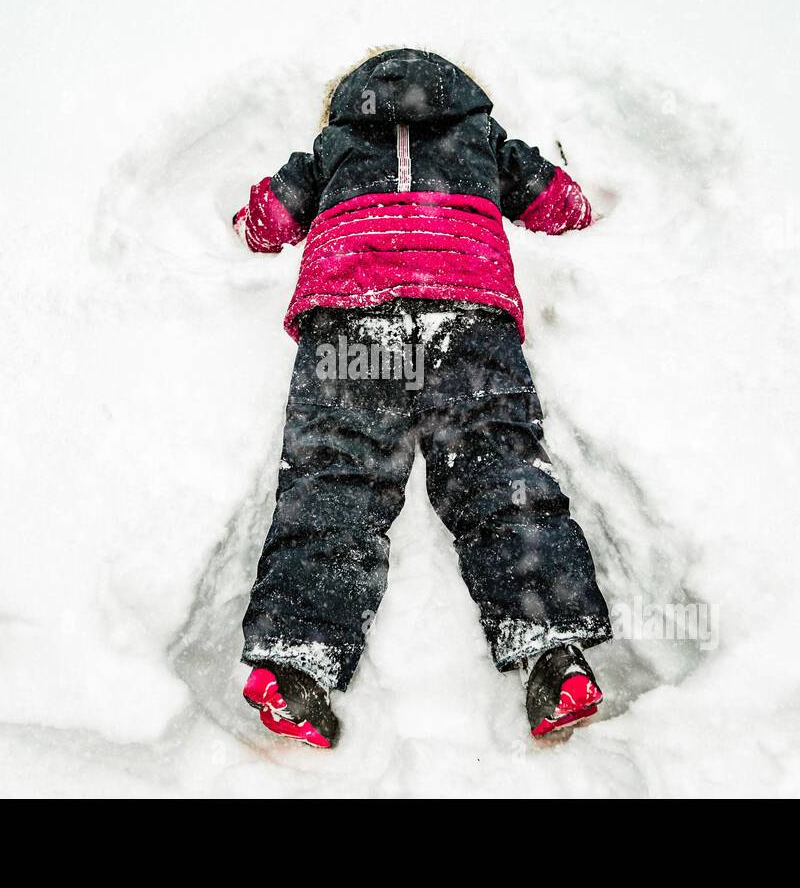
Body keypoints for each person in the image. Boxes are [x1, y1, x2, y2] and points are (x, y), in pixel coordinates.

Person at [233, 48, 611, 747]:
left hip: (353, 315)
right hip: (467, 318)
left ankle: (296, 665)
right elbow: (561, 206)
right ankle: (552, 653)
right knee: (499, 472)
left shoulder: (334, 144)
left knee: (334, 479)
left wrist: (246, 223)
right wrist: (576, 199)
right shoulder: (482, 137)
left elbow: (267, 222)